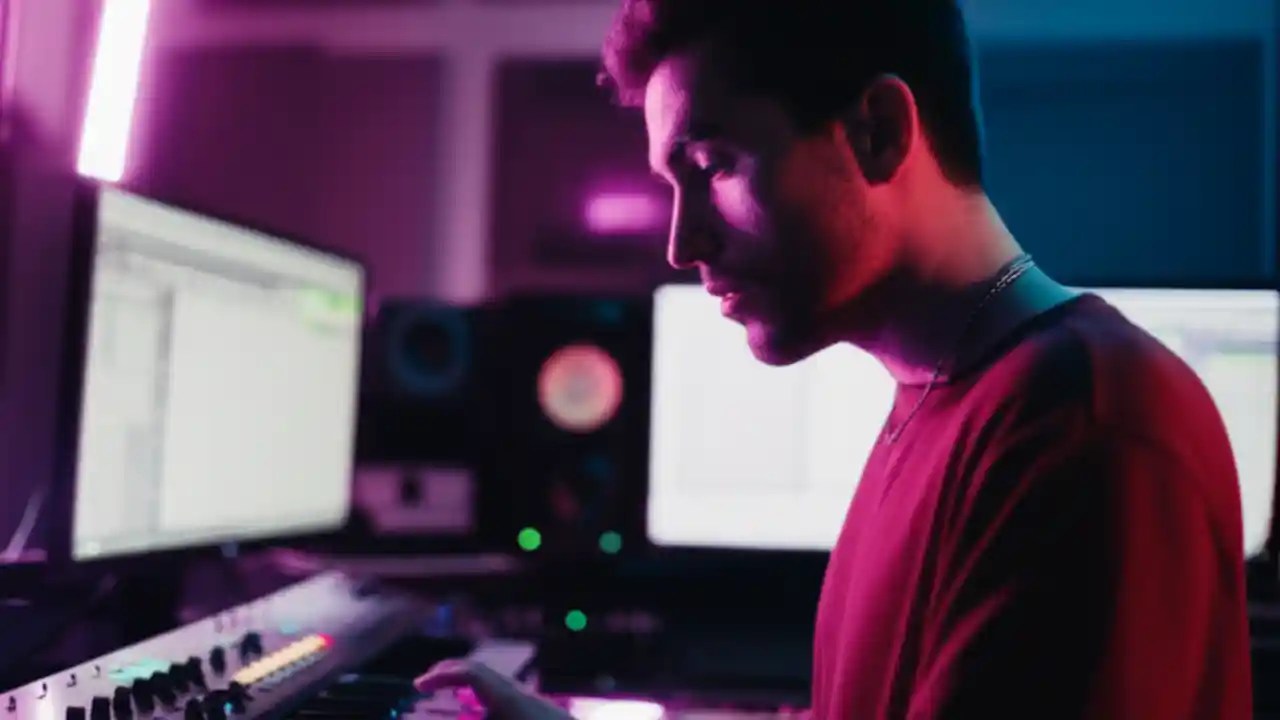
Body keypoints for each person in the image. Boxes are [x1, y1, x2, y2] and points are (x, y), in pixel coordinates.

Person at [417, 0, 1255, 716]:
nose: (680, 243)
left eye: (710, 166)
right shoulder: (940, 396)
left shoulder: (1089, 424)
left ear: (878, 132)